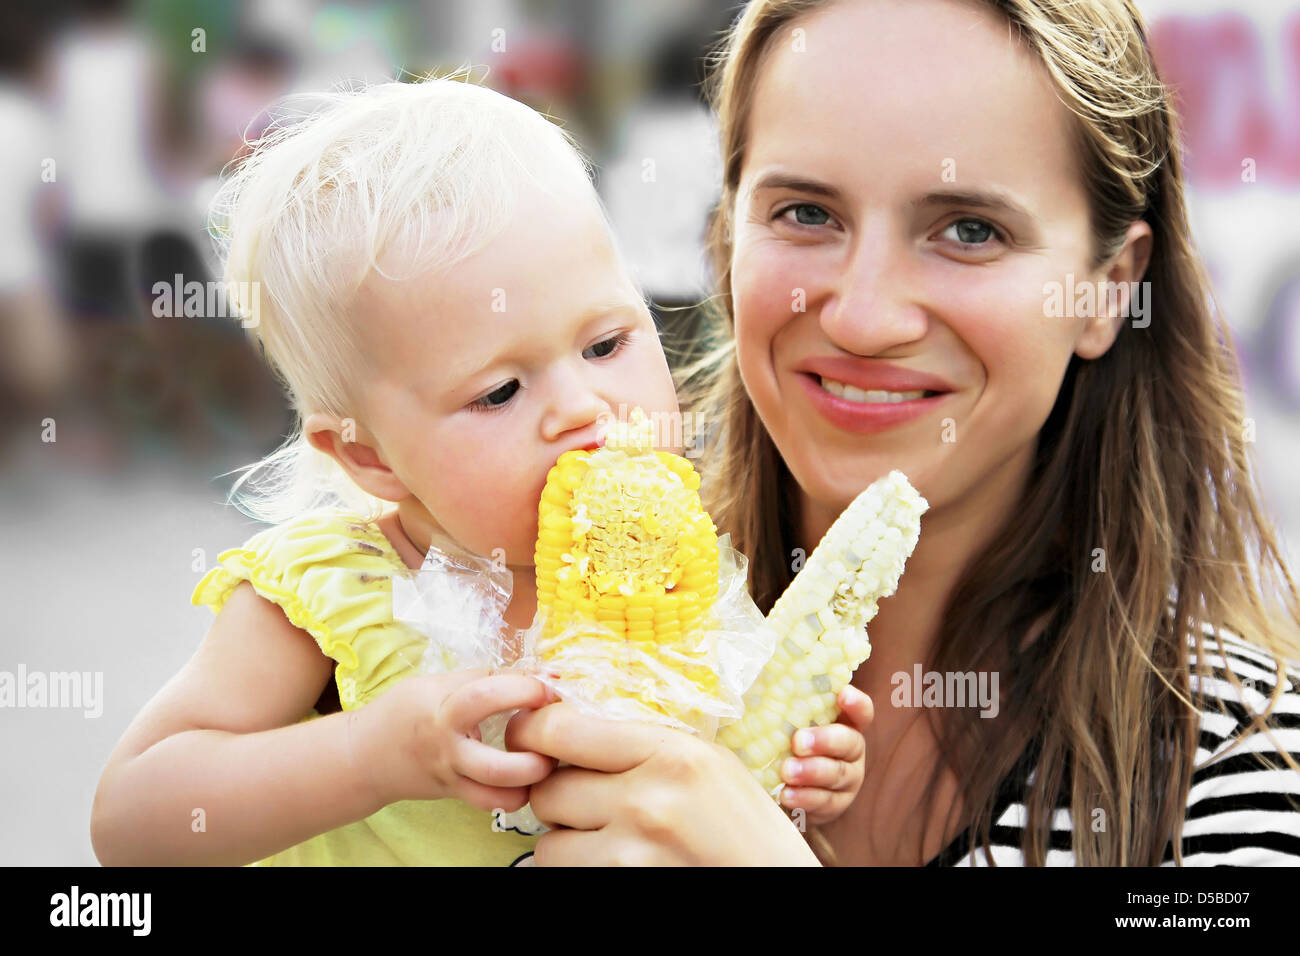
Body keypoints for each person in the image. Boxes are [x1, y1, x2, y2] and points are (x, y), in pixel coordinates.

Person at [506, 0, 1300, 866]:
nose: (864, 317)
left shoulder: (1241, 767)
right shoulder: (504, 654)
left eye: (969, 230)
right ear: (723, 242)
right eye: (807, 213)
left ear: (1110, 287)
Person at [88, 74, 867, 867]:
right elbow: (132, 821)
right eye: (498, 392)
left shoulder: (689, 571)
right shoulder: (338, 591)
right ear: (369, 454)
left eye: (606, 344)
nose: (583, 406)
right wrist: (369, 757)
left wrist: (792, 777)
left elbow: (702, 800)